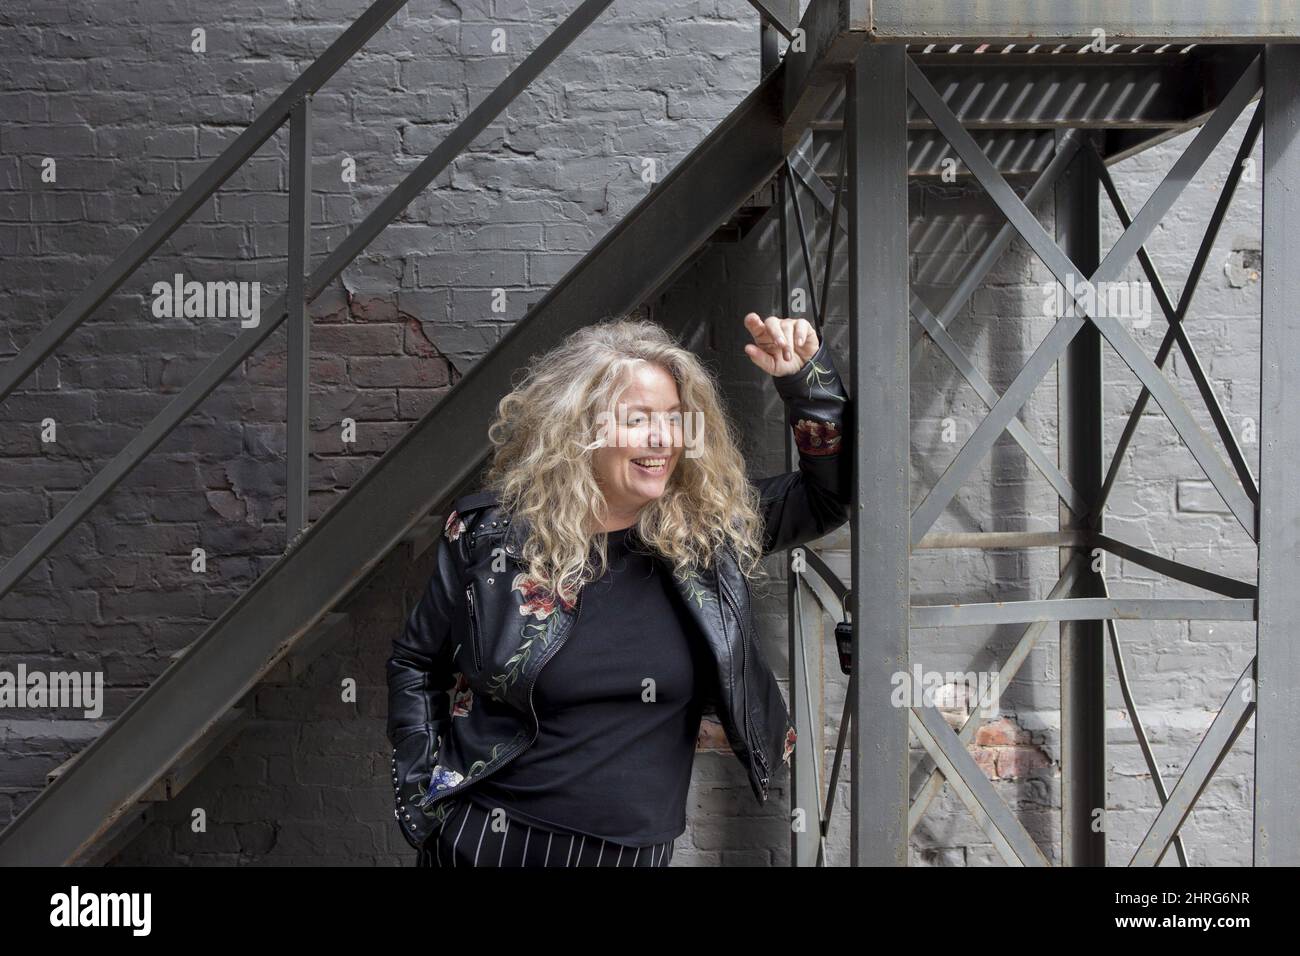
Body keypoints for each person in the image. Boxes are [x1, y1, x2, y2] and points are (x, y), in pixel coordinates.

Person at [387, 312, 851, 867]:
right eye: (636, 420)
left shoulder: (707, 533)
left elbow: (828, 498)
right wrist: (422, 794)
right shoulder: (489, 536)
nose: (661, 439)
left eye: (674, 419)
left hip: (630, 853)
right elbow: (415, 661)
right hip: (488, 842)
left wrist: (808, 384)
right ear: (579, 429)